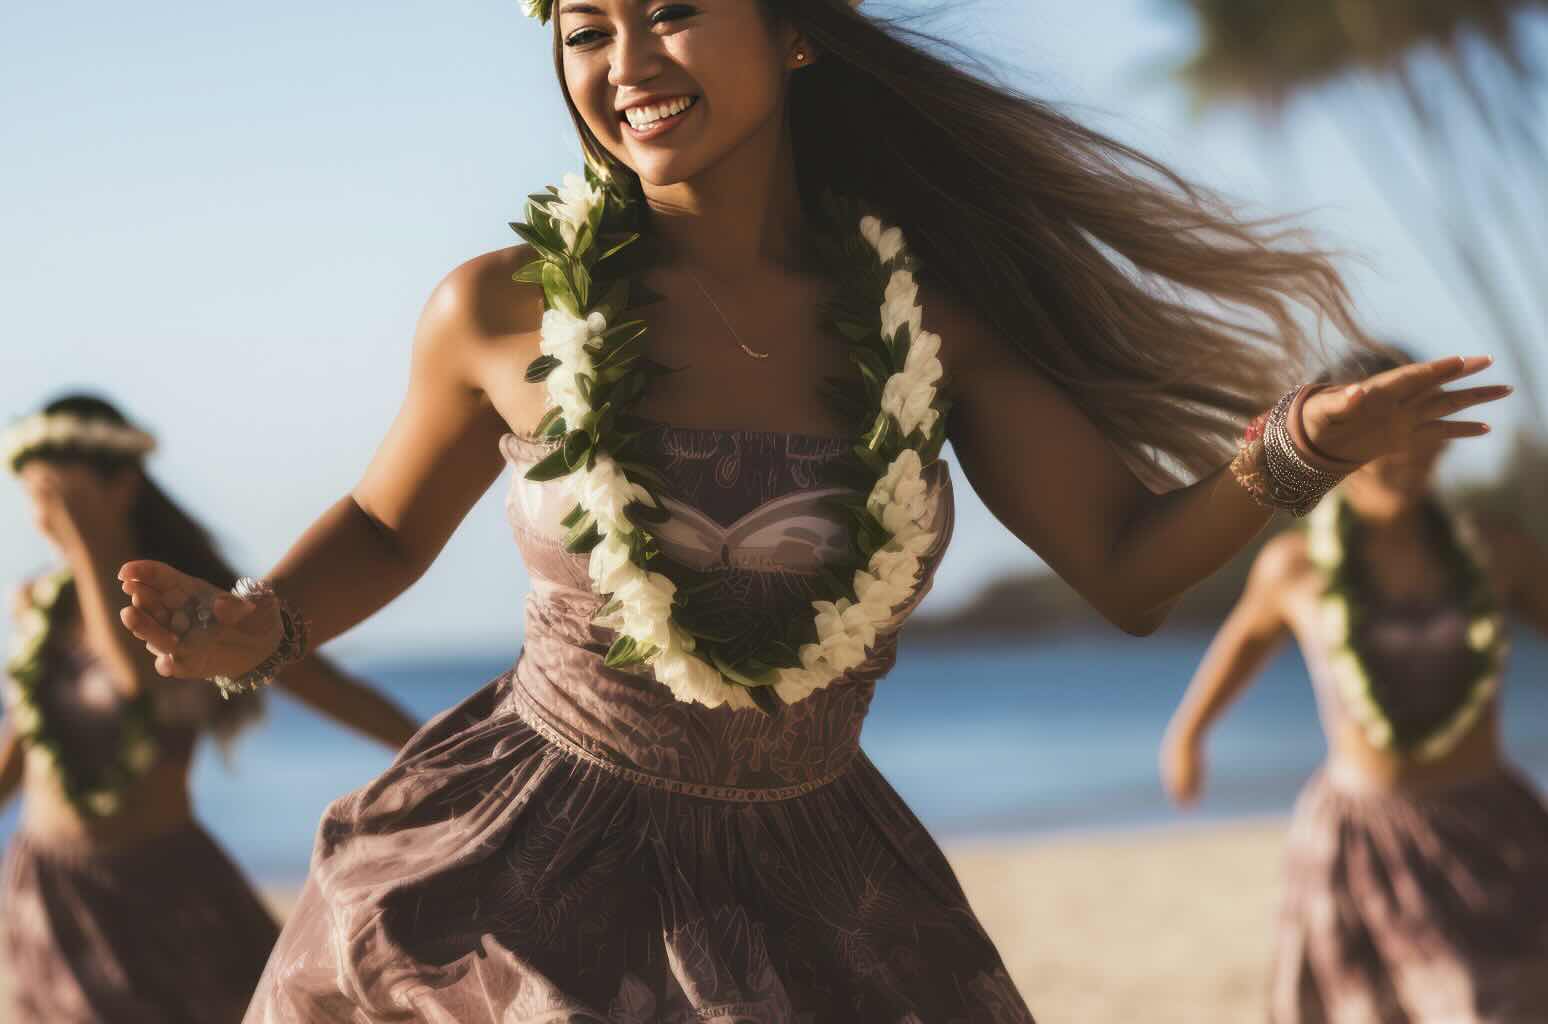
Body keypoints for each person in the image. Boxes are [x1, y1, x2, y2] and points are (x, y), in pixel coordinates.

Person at [117, 2, 1508, 1019]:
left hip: (822, 883)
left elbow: (1129, 570)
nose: (625, 65)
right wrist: (264, 622)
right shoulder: (502, 309)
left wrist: (1298, 451)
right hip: (528, 862)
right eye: (585, 32)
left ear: (793, 36)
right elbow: (384, 519)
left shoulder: (927, 328)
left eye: (668, 14)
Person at [0, 395, 420, 1023]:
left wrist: (432, 755)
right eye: (36, 499)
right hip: (49, 890)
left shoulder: (195, 607)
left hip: (160, 891)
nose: (48, 516)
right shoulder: (42, 605)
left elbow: (133, 683)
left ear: (124, 486)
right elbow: (27, 736)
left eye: (64, 496)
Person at [1161, 349, 1548, 1023]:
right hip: (1358, 841)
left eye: (1420, 428)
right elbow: (1242, 646)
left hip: (1489, 827)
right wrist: (1187, 737)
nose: (1405, 451)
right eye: (1384, 431)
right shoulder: (1296, 567)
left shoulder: (1497, 550)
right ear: (1341, 439)